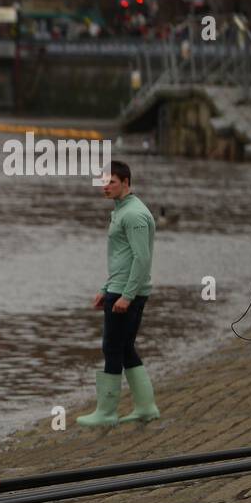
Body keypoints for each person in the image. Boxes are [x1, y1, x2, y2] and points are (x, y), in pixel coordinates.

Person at [77, 160, 158, 426]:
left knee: (111, 347)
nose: (105, 186)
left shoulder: (133, 214)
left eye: (111, 181)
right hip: (118, 288)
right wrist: (105, 288)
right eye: (103, 182)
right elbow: (121, 258)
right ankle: (146, 407)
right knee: (124, 348)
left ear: (126, 182)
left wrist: (127, 295)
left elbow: (141, 258)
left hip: (126, 292)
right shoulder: (121, 210)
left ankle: (106, 412)